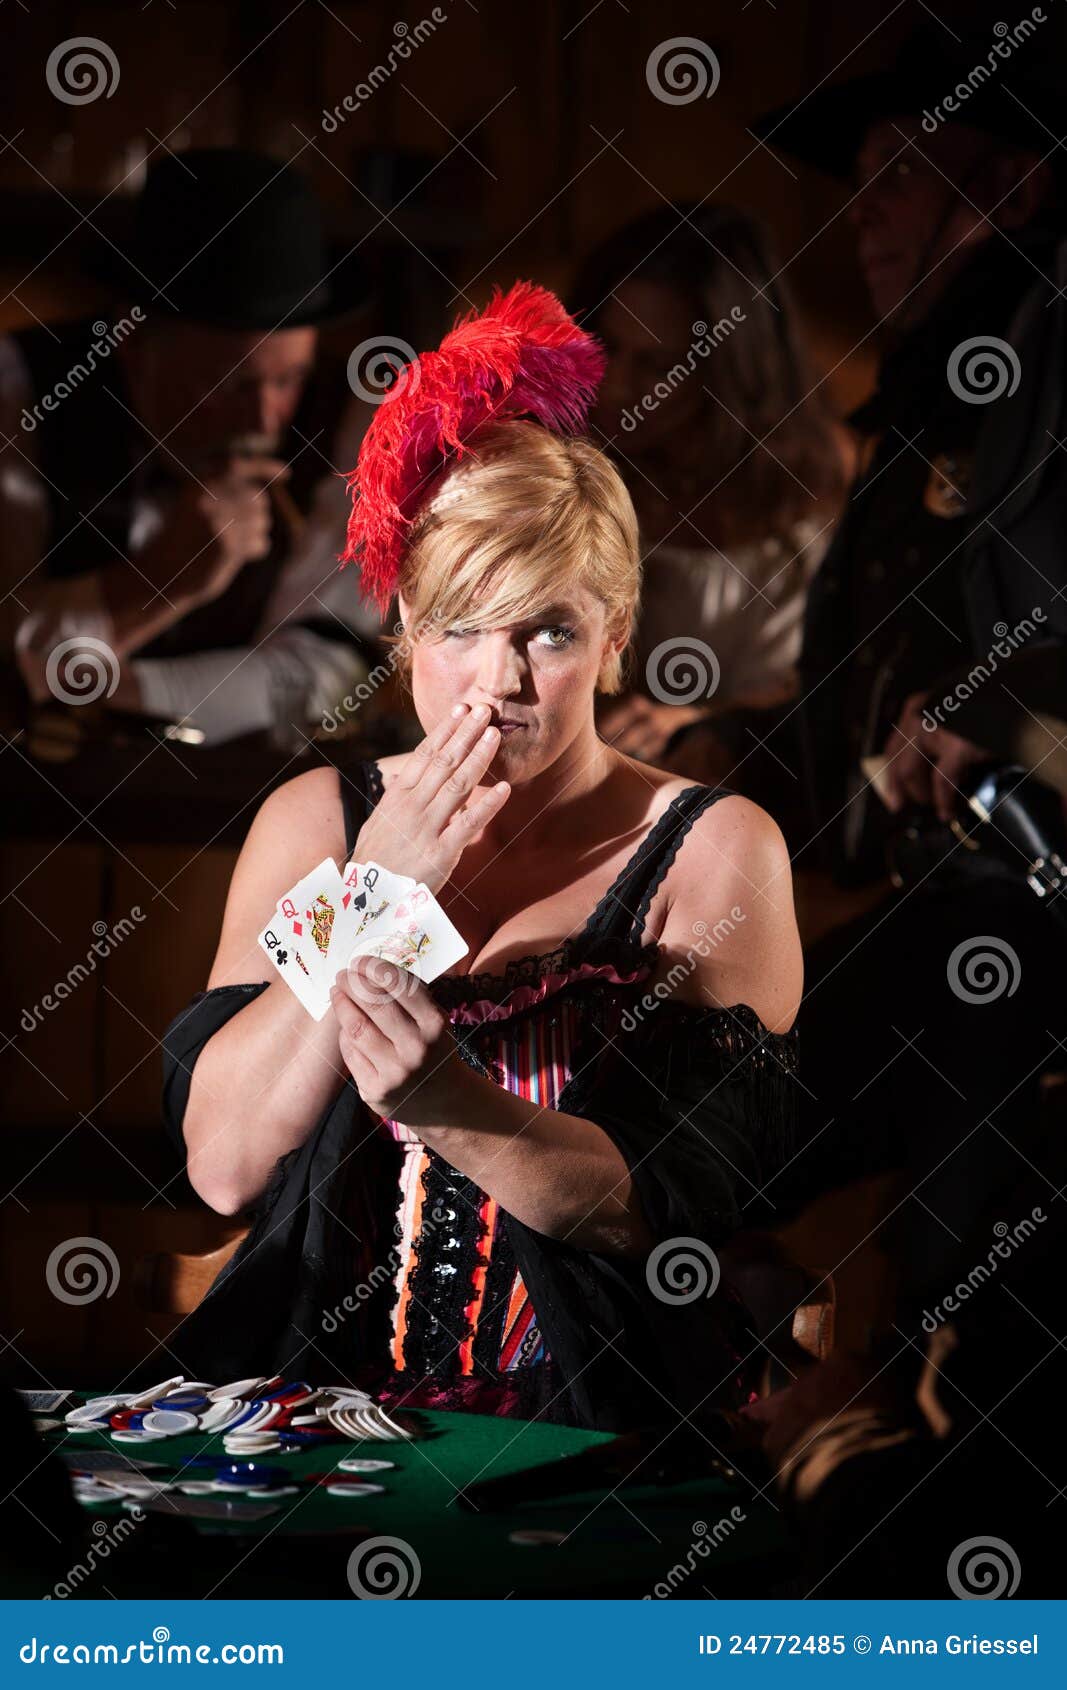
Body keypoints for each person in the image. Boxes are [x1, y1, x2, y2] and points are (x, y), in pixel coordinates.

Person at [156, 283, 803, 1433]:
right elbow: (222, 1164)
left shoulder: (714, 849)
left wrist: (448, 1104)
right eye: (457, 628)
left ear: (613, 634)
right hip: (315, 1414)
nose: (496, 684)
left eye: (544, 631)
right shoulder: (318, 821)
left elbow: (674, 1202)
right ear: (405, 630)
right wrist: (377, 892)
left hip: (598, 1418)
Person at [754, 18, 1067, 1297]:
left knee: (959, 1272)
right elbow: (854, 689)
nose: (862, 217)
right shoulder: (922, 394)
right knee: (693, 1138)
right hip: (921, 903)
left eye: (899, 174)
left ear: (1011, 184)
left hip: (1024, 911)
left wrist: (1009, 712)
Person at [1, 148, 382, 745]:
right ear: (135, 347)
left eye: (289, 380)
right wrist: (161, 582)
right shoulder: (20, 394)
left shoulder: (351, 423)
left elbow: (329, 664)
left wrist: (116, 697)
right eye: (228, 384)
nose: (263, 417)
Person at [570, 205, 849, 803]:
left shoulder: (801, 492)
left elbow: (814, 693)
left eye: (656, 365)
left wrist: (705, 724)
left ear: (725, 370)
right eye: (608, 347)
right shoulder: (565, 464)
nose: (617, 386)